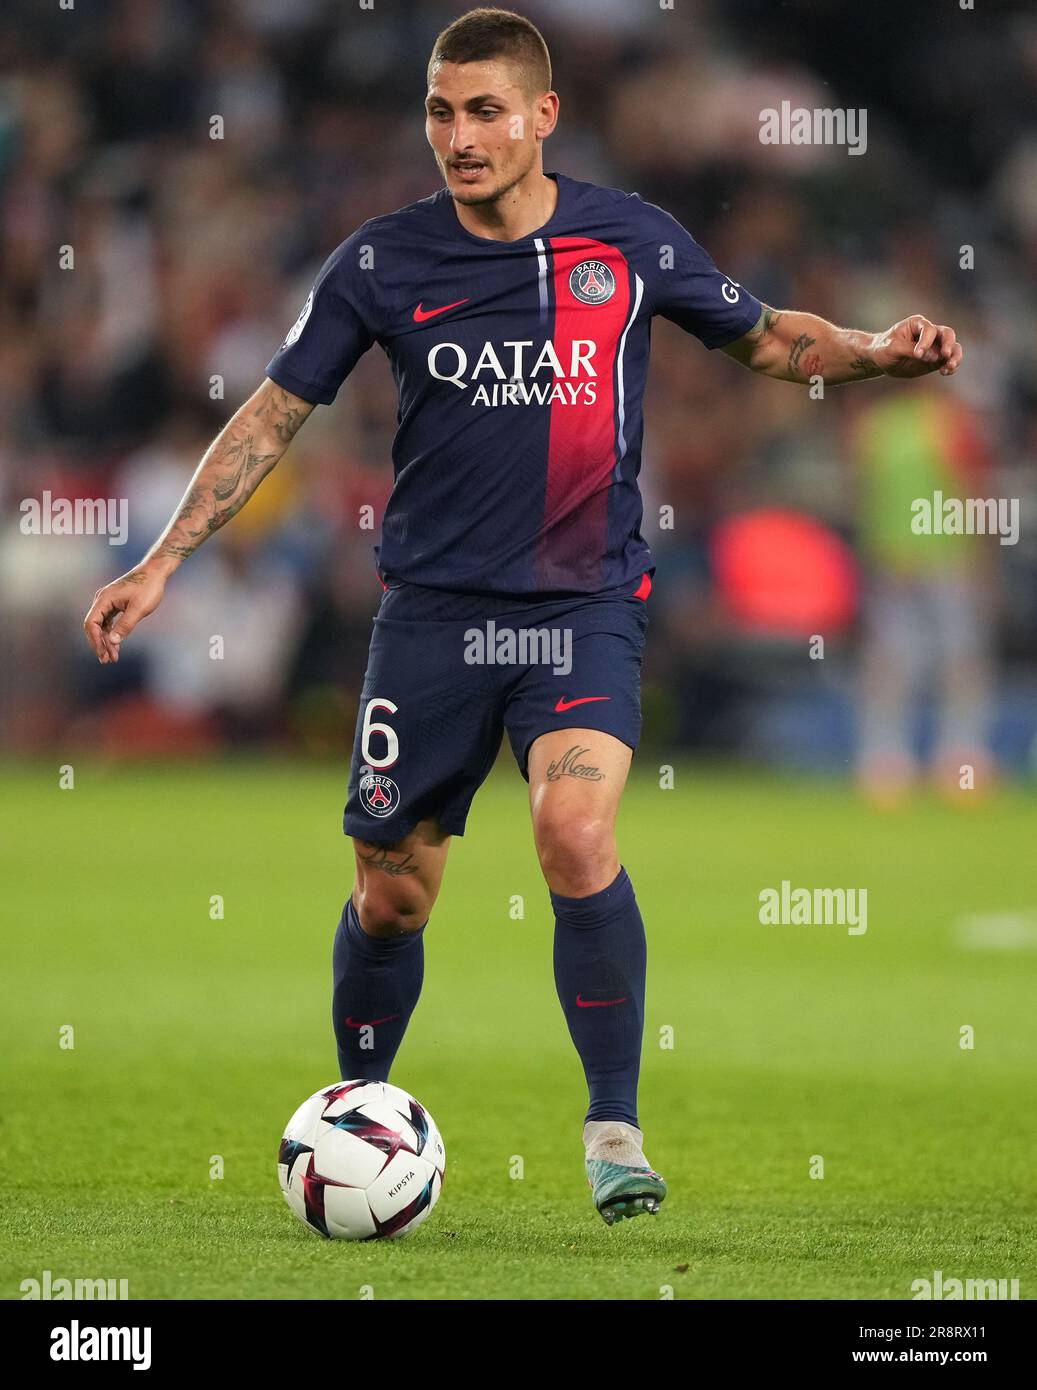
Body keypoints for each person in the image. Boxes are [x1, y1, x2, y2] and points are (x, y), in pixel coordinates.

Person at [83, 6, 963, 1226]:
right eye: (440, 112)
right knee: (391, 897)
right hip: (431, 618)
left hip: (582, 609)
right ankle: (358, 1113)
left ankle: (612, 1131)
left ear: (542, 115)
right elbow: (275, 412)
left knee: (574, 829)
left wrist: (871, 350)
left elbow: (765, 340)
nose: (459, 135)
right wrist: (167, 558)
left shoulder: (629, 242)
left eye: (484, 110)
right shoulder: (383, 262)